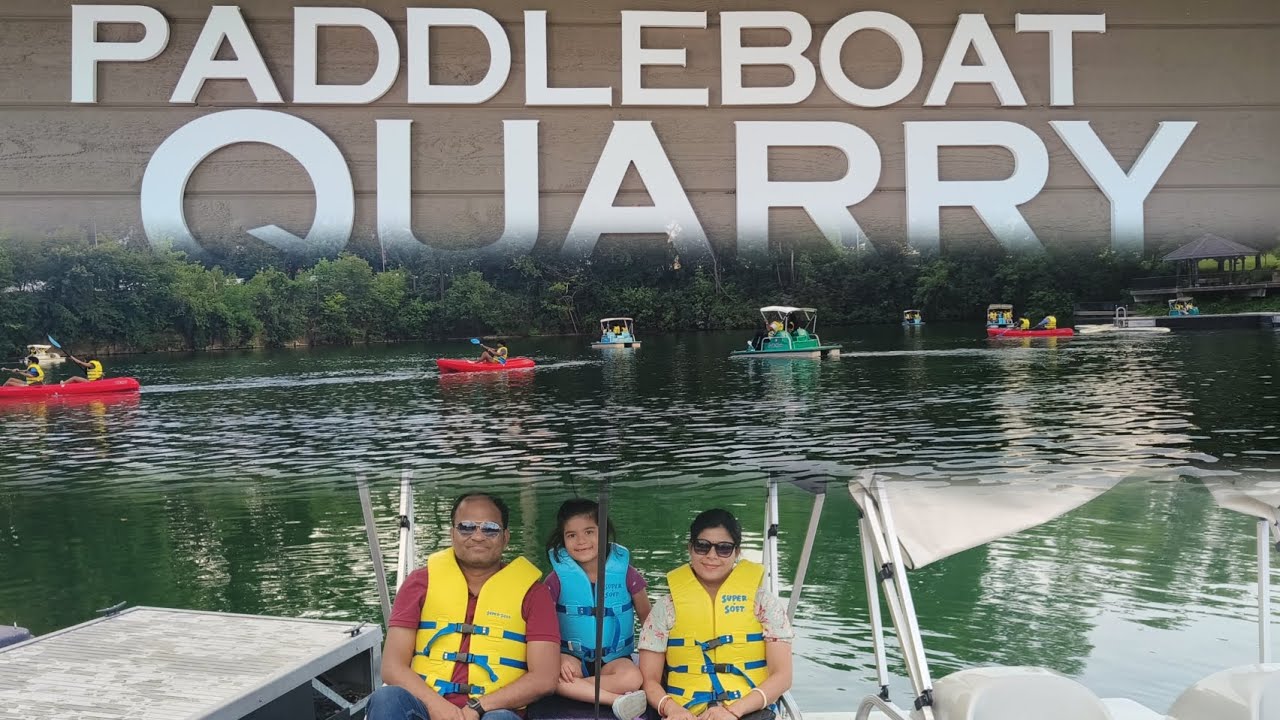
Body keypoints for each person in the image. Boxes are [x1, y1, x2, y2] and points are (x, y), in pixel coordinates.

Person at [366, 492, 560, 720]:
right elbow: (392, 666)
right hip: (424, 708)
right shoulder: (419, 583)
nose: (478, 536)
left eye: (490, 528)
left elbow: (544, 678)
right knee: (387, 698)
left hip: (493, 711)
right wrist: (438, 707)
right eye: (466, 527)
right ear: (452, 534)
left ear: (505, 537)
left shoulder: (534, 593)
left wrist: (478, 707)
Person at [638, 509, 794, 720]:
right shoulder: (665, 608)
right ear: (690, 548)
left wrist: (733, 711)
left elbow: (782, 676)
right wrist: (671, 708)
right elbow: (649, 679)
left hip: (748, 712)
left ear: (736, 552)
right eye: (702, 546)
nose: (712, 555)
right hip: (682, 712)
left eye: (723, 548)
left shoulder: (764, 604)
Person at [545, 499, 652, 720]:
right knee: (550, 676)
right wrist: (557, 657)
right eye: (571, 535)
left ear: (604, 532)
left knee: (633, 678)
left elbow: (647, 619)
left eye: (589, 532)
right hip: (572, 657)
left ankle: (577, 690)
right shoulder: (555, 579)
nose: (581, 541)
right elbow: (543, 627)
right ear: (562, 539)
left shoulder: (627, 573)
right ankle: (616, 701)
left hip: (615, 660)